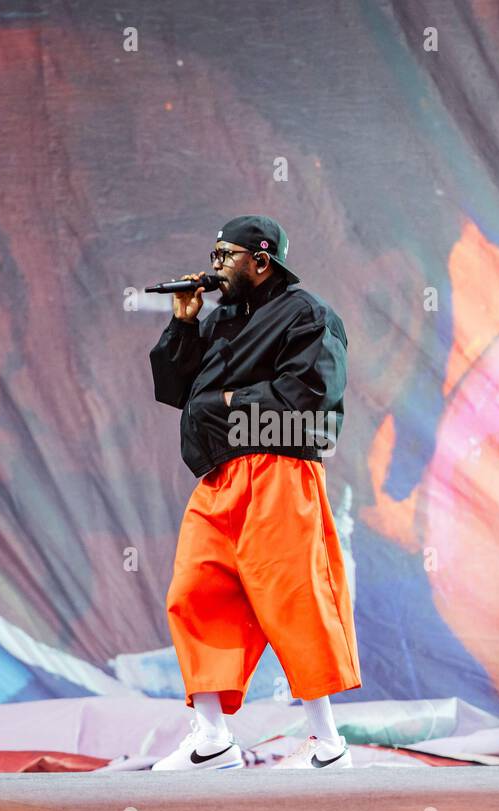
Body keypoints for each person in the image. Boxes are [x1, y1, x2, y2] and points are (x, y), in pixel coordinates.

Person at [148, 215, 362, 770]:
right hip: (218, 475)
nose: (215, 265)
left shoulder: (307, 315)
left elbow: (311, 393)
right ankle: (212, 737)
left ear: (261, 261)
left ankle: (326, 739)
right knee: (195, 591)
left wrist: (228, 404)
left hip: (278, 469)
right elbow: (175, 391)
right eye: (213, 254)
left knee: (291, 598)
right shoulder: (217, 320)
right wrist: (183, 325)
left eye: (226, 255)